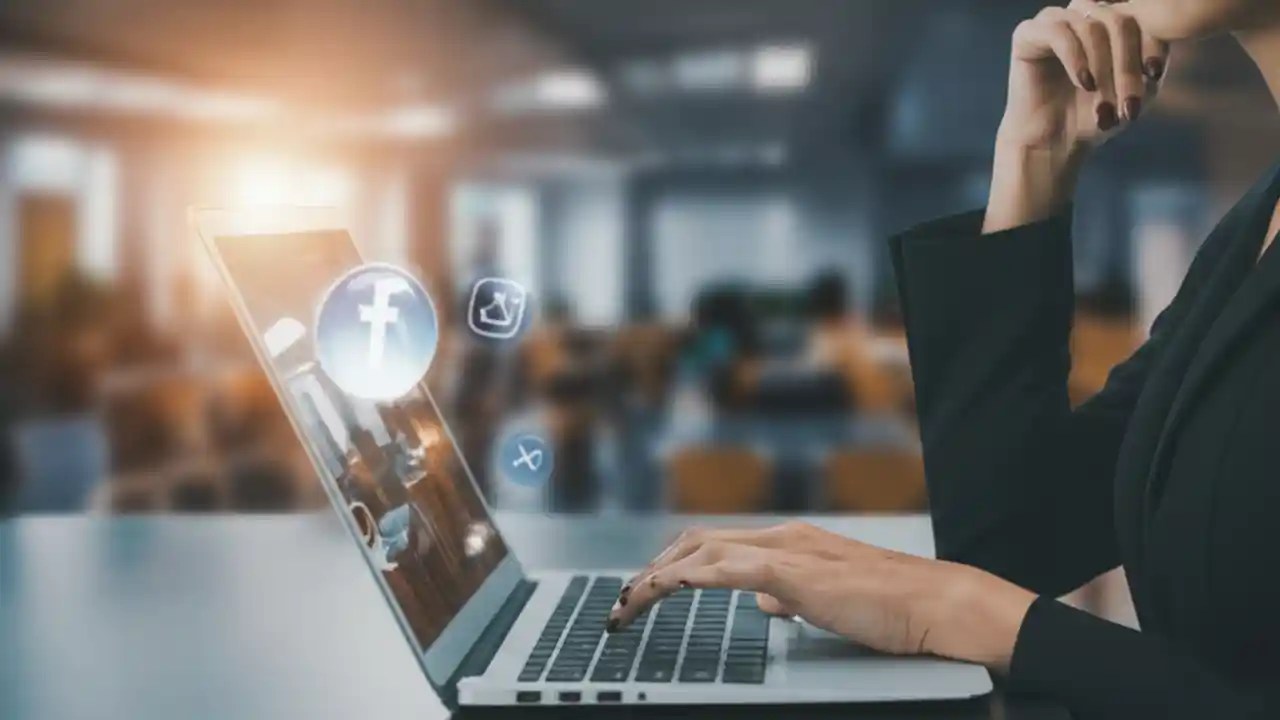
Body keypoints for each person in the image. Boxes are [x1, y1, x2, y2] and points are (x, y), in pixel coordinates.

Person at [607, 1, 1280, 717]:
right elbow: (1018, 539)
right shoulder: (1256, 221)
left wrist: (970, 612)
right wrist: (1033, 159)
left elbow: (984, 587)